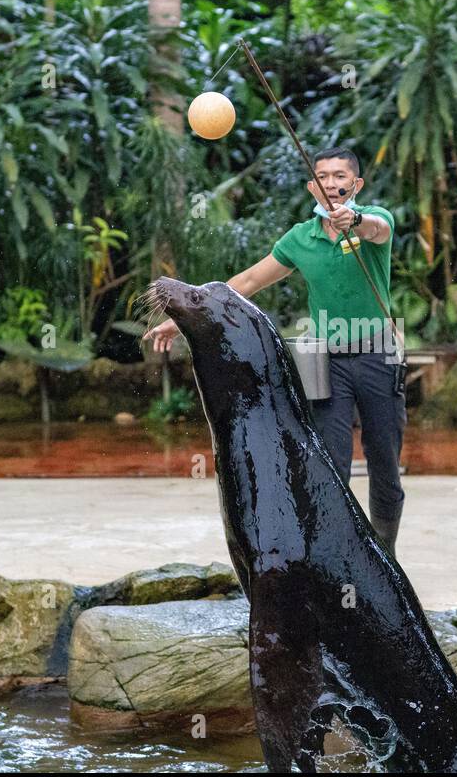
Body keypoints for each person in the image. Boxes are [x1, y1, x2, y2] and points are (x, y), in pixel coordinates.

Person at [144, 146, 407, 556]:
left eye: (341, 176)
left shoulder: (374, 220)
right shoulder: (301, 239)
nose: (332, 184)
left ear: (356, 185)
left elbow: (378, 229)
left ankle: (386, 555)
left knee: (385, 467)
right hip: (326, 361)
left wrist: (355, 220)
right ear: (312, 187)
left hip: (378, 356)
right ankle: (341, 555)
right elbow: (247, 281)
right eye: (323, 176)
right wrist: (181, 320)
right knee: (331, 465)